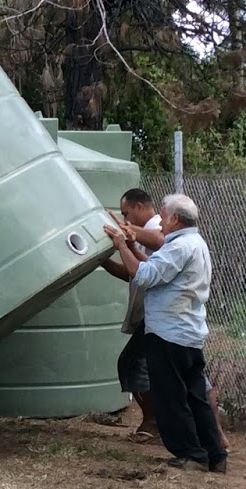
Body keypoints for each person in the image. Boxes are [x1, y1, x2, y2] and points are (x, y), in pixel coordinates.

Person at [104, 192, 227, 473]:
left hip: (168, 334)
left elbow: (144, 276)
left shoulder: (179, 247)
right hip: (189, 333)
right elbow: (155, 269)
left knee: (171, 397)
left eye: (163, 216)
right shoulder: (196, 243)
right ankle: (215, 454)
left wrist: (121, 245)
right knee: (195, 396)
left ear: (174, 218)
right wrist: (134, 246)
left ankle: (191, 454)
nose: (159, 224)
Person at [101, 188, 163, 440]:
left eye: (127, 214)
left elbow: (160, 242)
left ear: (139, 206)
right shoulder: (141, 234)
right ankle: (153, 420)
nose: (126, 220)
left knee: (134, 365)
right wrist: (102, 261)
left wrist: (125, 232)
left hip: (157, 314)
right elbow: (132, 272)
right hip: (149, 314)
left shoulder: (158, 226)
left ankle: (154, 422)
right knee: (132, 365)